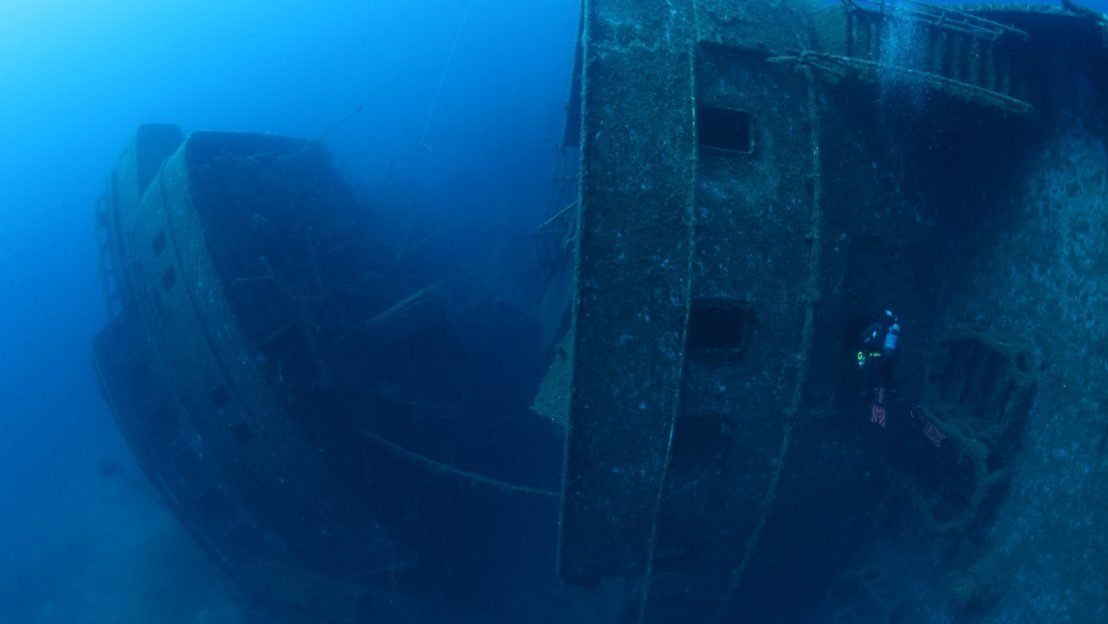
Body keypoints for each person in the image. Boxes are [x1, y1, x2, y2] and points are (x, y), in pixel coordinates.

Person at [857, 310, 899, 428]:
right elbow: (897, 350)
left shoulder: (875, 326)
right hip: (886, 362)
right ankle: (880, 419)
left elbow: (861, 338)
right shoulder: (893, 331)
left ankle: (868, 420)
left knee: (865, 388)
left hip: (873, 360)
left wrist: (866, 345)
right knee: (885, 386)